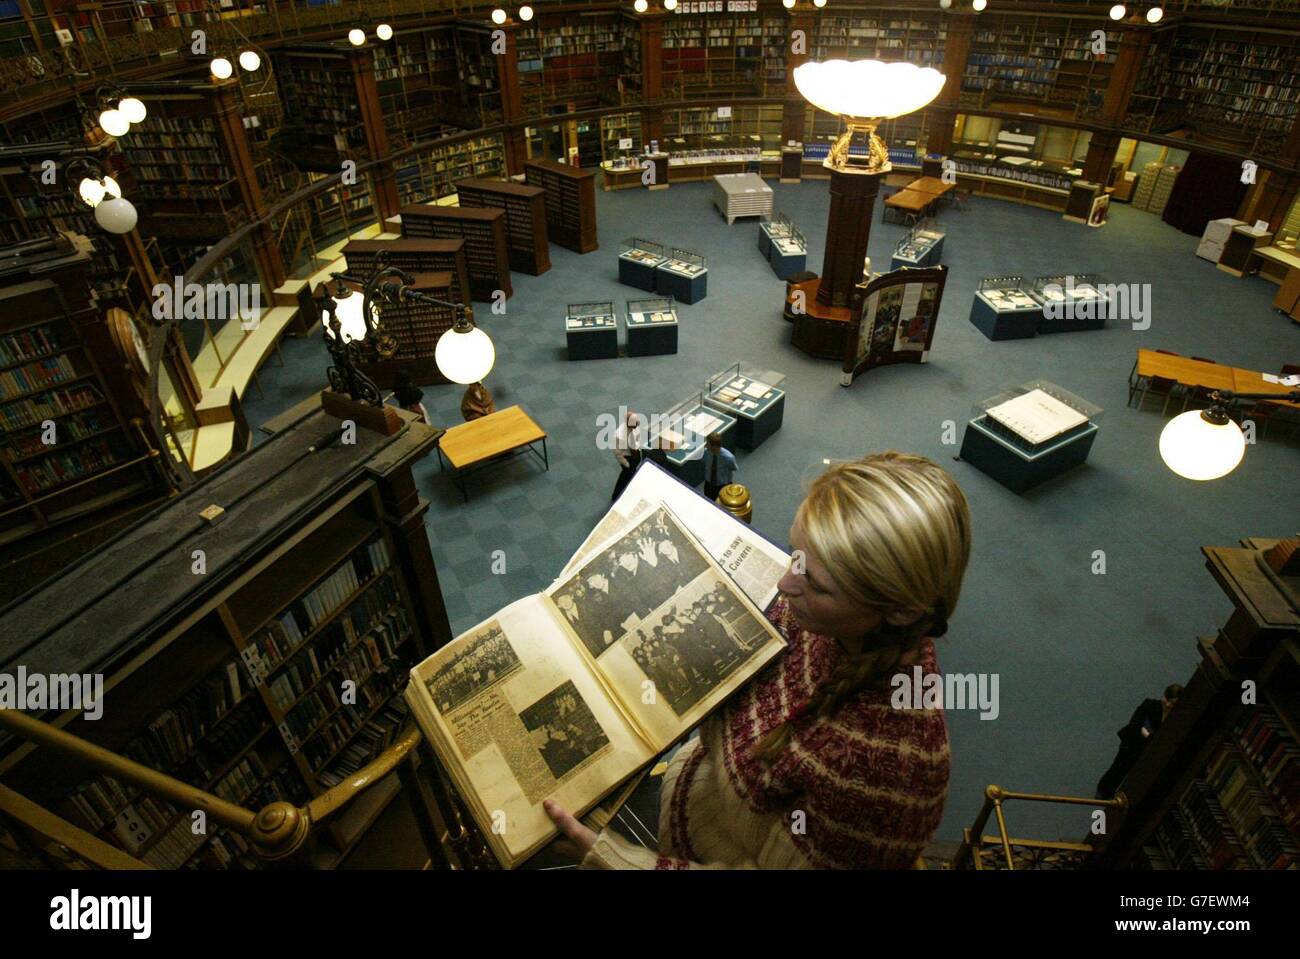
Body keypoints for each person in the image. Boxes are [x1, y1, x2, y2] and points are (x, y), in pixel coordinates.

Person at [545, 451, 972, 869]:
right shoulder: (833, 625)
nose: (785, 583)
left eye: (818, 585)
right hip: (696, 801)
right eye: (795, 553)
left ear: (899, 611)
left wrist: (612, 859)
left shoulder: (882, 779)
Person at [1095, 684, 1183, 800]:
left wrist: (1147, 733)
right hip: (1132, 744)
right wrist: (1150, 735)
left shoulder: (1175, 718)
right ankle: (1104, 792)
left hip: (1147, 752)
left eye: (1172, 703)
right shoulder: (1150, 705)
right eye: (1167, 699)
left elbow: (1150, 732)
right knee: (1118, 768)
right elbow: (1136, 724)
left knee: (1136, 776)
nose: (1167, 704)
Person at [611, 411, 644, 501]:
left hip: (635, 453)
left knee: (632, 473)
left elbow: (637, 438)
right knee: (626, 475)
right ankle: (616, 496)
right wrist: (626, 464)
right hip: (627, 457)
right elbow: (618, 453)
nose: (636, 426)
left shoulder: (635, 426)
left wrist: (638, 449)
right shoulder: (619, 435)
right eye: (634, 425)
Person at [700, 432, 737, 502]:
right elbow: (704, 462)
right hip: (709, 484)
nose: (705, 446)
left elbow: (733, 468)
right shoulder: (706, 452)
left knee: (722, 505)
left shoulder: (728, 458)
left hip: (723, 486)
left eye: (707, 444)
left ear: (714, 446)